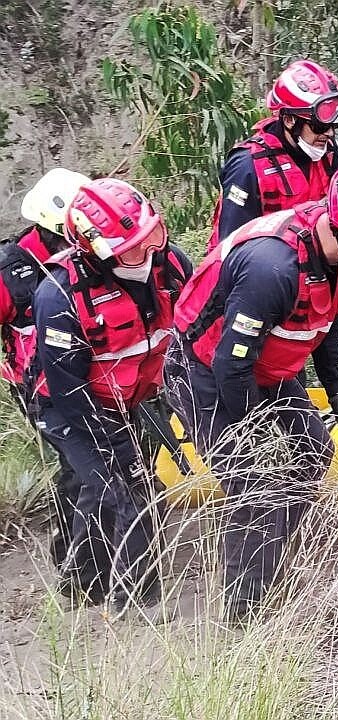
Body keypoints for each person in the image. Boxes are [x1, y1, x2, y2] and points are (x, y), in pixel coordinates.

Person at [167, 167, 338, 624]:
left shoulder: (332, 254)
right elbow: (232, 364)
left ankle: (272, 562)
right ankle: (244, 616)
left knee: (313, 449)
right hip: (206, 371)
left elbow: (323, 320)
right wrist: (257, 429)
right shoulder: (274, 269)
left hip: (264, 366)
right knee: (253, 486)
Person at [32, 178, 192, 616]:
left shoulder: (170, 264)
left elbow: (193, 333)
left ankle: (79, 579)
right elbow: (69, 390)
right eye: (132, 250)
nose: (148, 255)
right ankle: (136, 604)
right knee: (127, 490)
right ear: (95, 251)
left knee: (104, 490)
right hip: (70, 407)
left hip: (131, 394)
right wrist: (119, 445)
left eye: (152, 238)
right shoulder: (59, 295)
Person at [4, 168, 90, 569]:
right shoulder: (10, 272)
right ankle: (75, 562)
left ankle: (115, 542)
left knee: (123, 458)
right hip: (39, 385)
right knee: (79, 466)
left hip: (92, 372)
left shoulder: (92, 255)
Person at [207, 59, 338, 251]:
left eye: (334, 125)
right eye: (320, 126)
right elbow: (230, 247)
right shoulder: (247, 166)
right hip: (263, 269)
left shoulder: (329, 151)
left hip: (313, 264)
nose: (329, 133)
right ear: (289, 120)